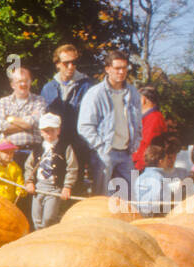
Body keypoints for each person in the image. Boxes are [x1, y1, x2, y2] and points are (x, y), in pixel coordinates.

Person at [77, 49, 142, 199]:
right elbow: (84, 126)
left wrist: (136, 142)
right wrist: (100, 147)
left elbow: (138, 122)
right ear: (107, 69)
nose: (121, 72)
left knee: (130, 196)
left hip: (126, 152)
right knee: (102, 197)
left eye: (124, 68)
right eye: (117, 68)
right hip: (105, 153)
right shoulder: (96, 93)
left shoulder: (132, 93)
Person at [40, 44, 93, 189]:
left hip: (78, 143)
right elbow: (43, 118)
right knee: (55, 182)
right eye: (66, 63)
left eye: (74, 62)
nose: (71, 66)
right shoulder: (48, 88)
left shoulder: (87, 85)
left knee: (76, 184)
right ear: (58, 64)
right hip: (56, 143)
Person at [24, 115, 78, 229]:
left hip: (54, 187)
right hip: (38, 187)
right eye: (45, 131)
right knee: (36, 218)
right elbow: (29, 166)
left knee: (49, 218)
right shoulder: (37, 148)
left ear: (58, 130)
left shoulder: (65, 148)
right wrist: (29, 181)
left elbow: (72, 168)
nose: (49, 134)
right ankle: (38, 239)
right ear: (41, 132)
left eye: (52, 130)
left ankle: (48, 237)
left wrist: (67, 186)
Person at [0, 65, 46, 171]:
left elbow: (36, 122)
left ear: (31, 82)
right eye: (19, 81)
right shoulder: (3, 102)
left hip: (34, 151)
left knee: (31, 185)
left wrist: (10, 119)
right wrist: (27, 124)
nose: (23, 84)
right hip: (8, 153)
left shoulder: (39, 100)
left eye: (26, 81)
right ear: (12, 84)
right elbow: (0, 126)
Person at [132, 143, 173, 217]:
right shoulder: (160, 178)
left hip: (139, 213)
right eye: (166, 159)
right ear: (161, 161)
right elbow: (166, 198)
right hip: (155, 214)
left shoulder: (140, 177)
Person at [134, 85, 166, 172]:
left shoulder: (154, 118)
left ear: (143, 99)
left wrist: (136, 165)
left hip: (143, 166)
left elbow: (147, 145)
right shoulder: (149, 117)